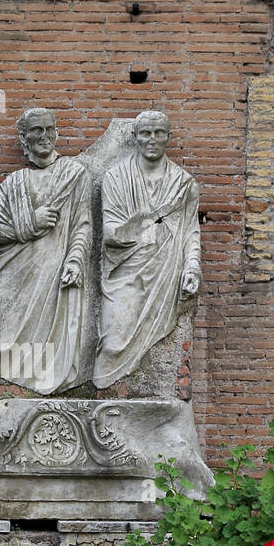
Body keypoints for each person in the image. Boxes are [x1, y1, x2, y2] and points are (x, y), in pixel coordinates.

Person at [0, 108, 94, 394]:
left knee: (51, 356)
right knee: (3, 349)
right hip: (15, 279)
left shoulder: (74, 175)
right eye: (36, 130)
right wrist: (29, 224)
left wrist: (76, 260)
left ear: (57, 133)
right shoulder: (12, 185)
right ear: (23, 138)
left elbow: (83, 226)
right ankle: (8, 389)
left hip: (55, 278)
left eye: (49, 129)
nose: (44, 136)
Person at [94, 110, 201, 389]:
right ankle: (109, 409)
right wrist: (146, 221)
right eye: (145, 133)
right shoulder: (115, 178)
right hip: (125, 274)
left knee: (160, 350)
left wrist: (192, 265)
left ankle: (151, 396)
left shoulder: (184, 184)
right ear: (135, 137)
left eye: (159, 133)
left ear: (168, 137)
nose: (152, 140)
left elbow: (190, 231)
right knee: (111, 344)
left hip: (166, 274)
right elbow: (111, 234)